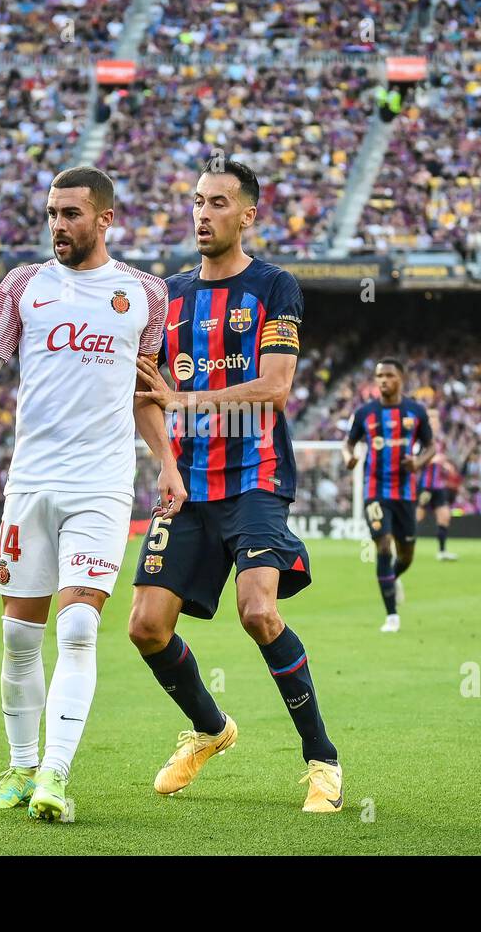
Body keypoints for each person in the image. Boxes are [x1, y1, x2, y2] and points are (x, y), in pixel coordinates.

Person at [0, 166, 177, 822]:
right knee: (20, 638)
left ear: (105, 219)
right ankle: (19, 770)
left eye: (71, 214)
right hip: (31, 482)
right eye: (51, 213)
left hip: (100, 484)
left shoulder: (144, 294)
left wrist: (167, 463)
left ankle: (55, 775)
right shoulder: (24, 285)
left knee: (77, 627)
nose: (58, 226)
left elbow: (145, 389)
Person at [130, 159, 343, 813]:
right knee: (146, 627)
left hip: (255, 476)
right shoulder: (166, 296)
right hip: (187, 482)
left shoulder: (275, 287)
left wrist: (185, 400)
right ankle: (211, 729)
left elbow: (275, 388)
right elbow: (146, 393)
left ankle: (322, 761)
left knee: (258, 611)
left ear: (248, 214)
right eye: (197, 201)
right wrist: (164, 461)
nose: (202, 214)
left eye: (218, 203)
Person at [343, 358, 437, 632]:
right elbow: (347, 444)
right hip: (375, 491)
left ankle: (391, 578)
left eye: (389, 376)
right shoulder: (365, 414)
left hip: (406, 493)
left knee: (406, 555)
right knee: (384, 545)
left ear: (401, 379)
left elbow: (431, 446)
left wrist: (418, 463)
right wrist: (349, 457)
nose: (383, 380)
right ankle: (392, 615)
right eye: (379, 376)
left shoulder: (416, 411)